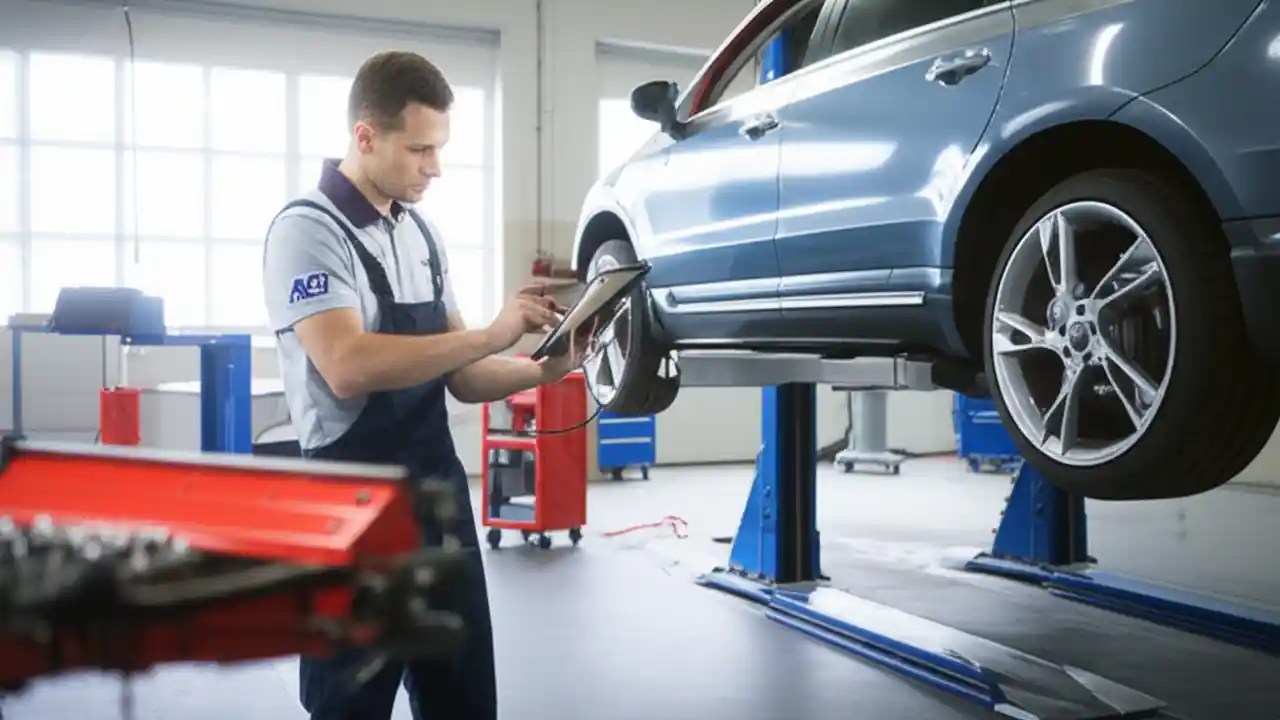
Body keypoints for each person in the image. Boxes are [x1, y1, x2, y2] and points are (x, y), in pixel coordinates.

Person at [262, 50, 585, 720]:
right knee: (351, 702)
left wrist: (545, 367)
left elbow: (463, 377)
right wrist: (489, 334)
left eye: (439, 150)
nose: (434, 168)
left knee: (462, 697)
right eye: (419, 150)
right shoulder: (307, 230)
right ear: (365, 136)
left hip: (437, 499)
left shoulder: (422, 237)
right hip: (351, 505)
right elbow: (346, 365)